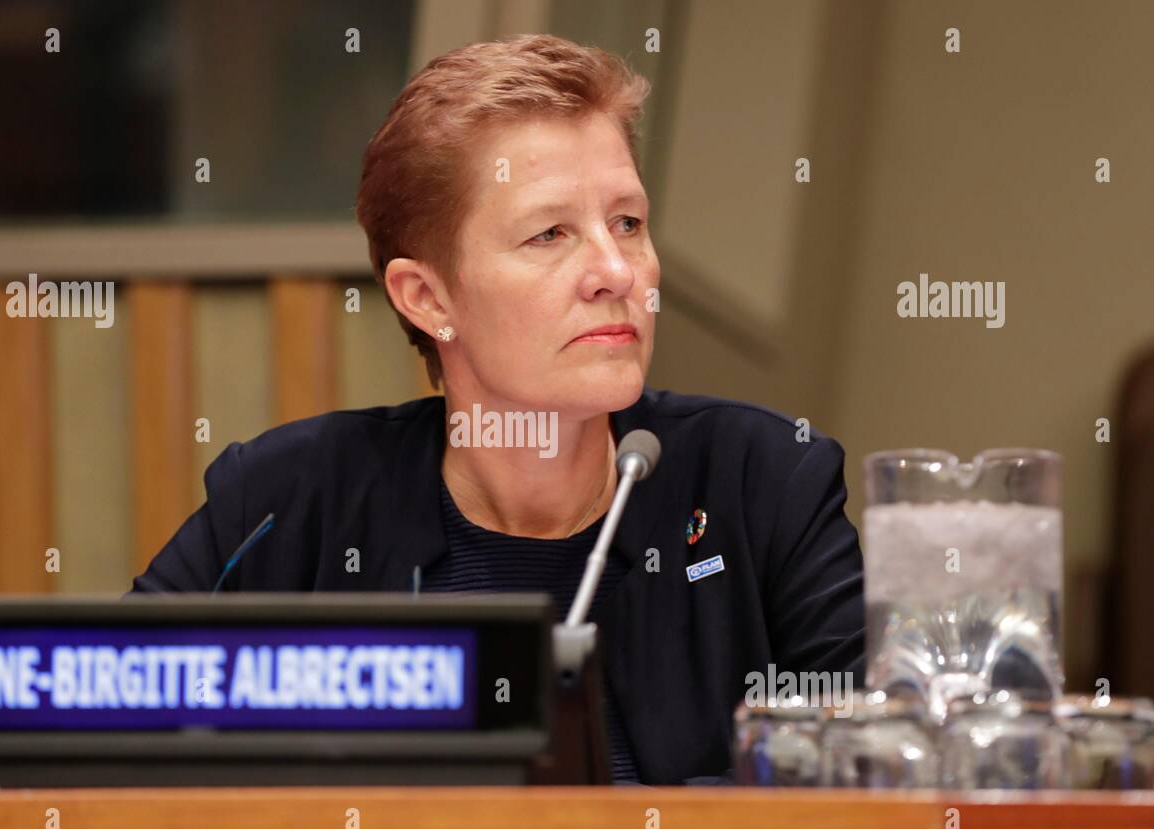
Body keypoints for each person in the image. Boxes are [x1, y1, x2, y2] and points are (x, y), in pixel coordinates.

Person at [132, 33, 865, 785]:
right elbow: (95, 730)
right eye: (550, 234)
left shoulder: (766, 484)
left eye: (628, 223)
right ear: (428, 297)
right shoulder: (293, 501)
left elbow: (873, 788)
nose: (616, 272)